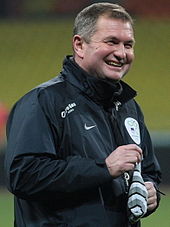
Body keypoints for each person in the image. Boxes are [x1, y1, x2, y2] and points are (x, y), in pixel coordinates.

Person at [5, 2, 161, 227]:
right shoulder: (42, 101)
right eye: (111, 42)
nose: (121, 53)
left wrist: (149, 190)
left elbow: (148, 171)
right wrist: (103, 168)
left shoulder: (128, 107)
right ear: (79, 45)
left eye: (128, 44)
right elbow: (24, 175)